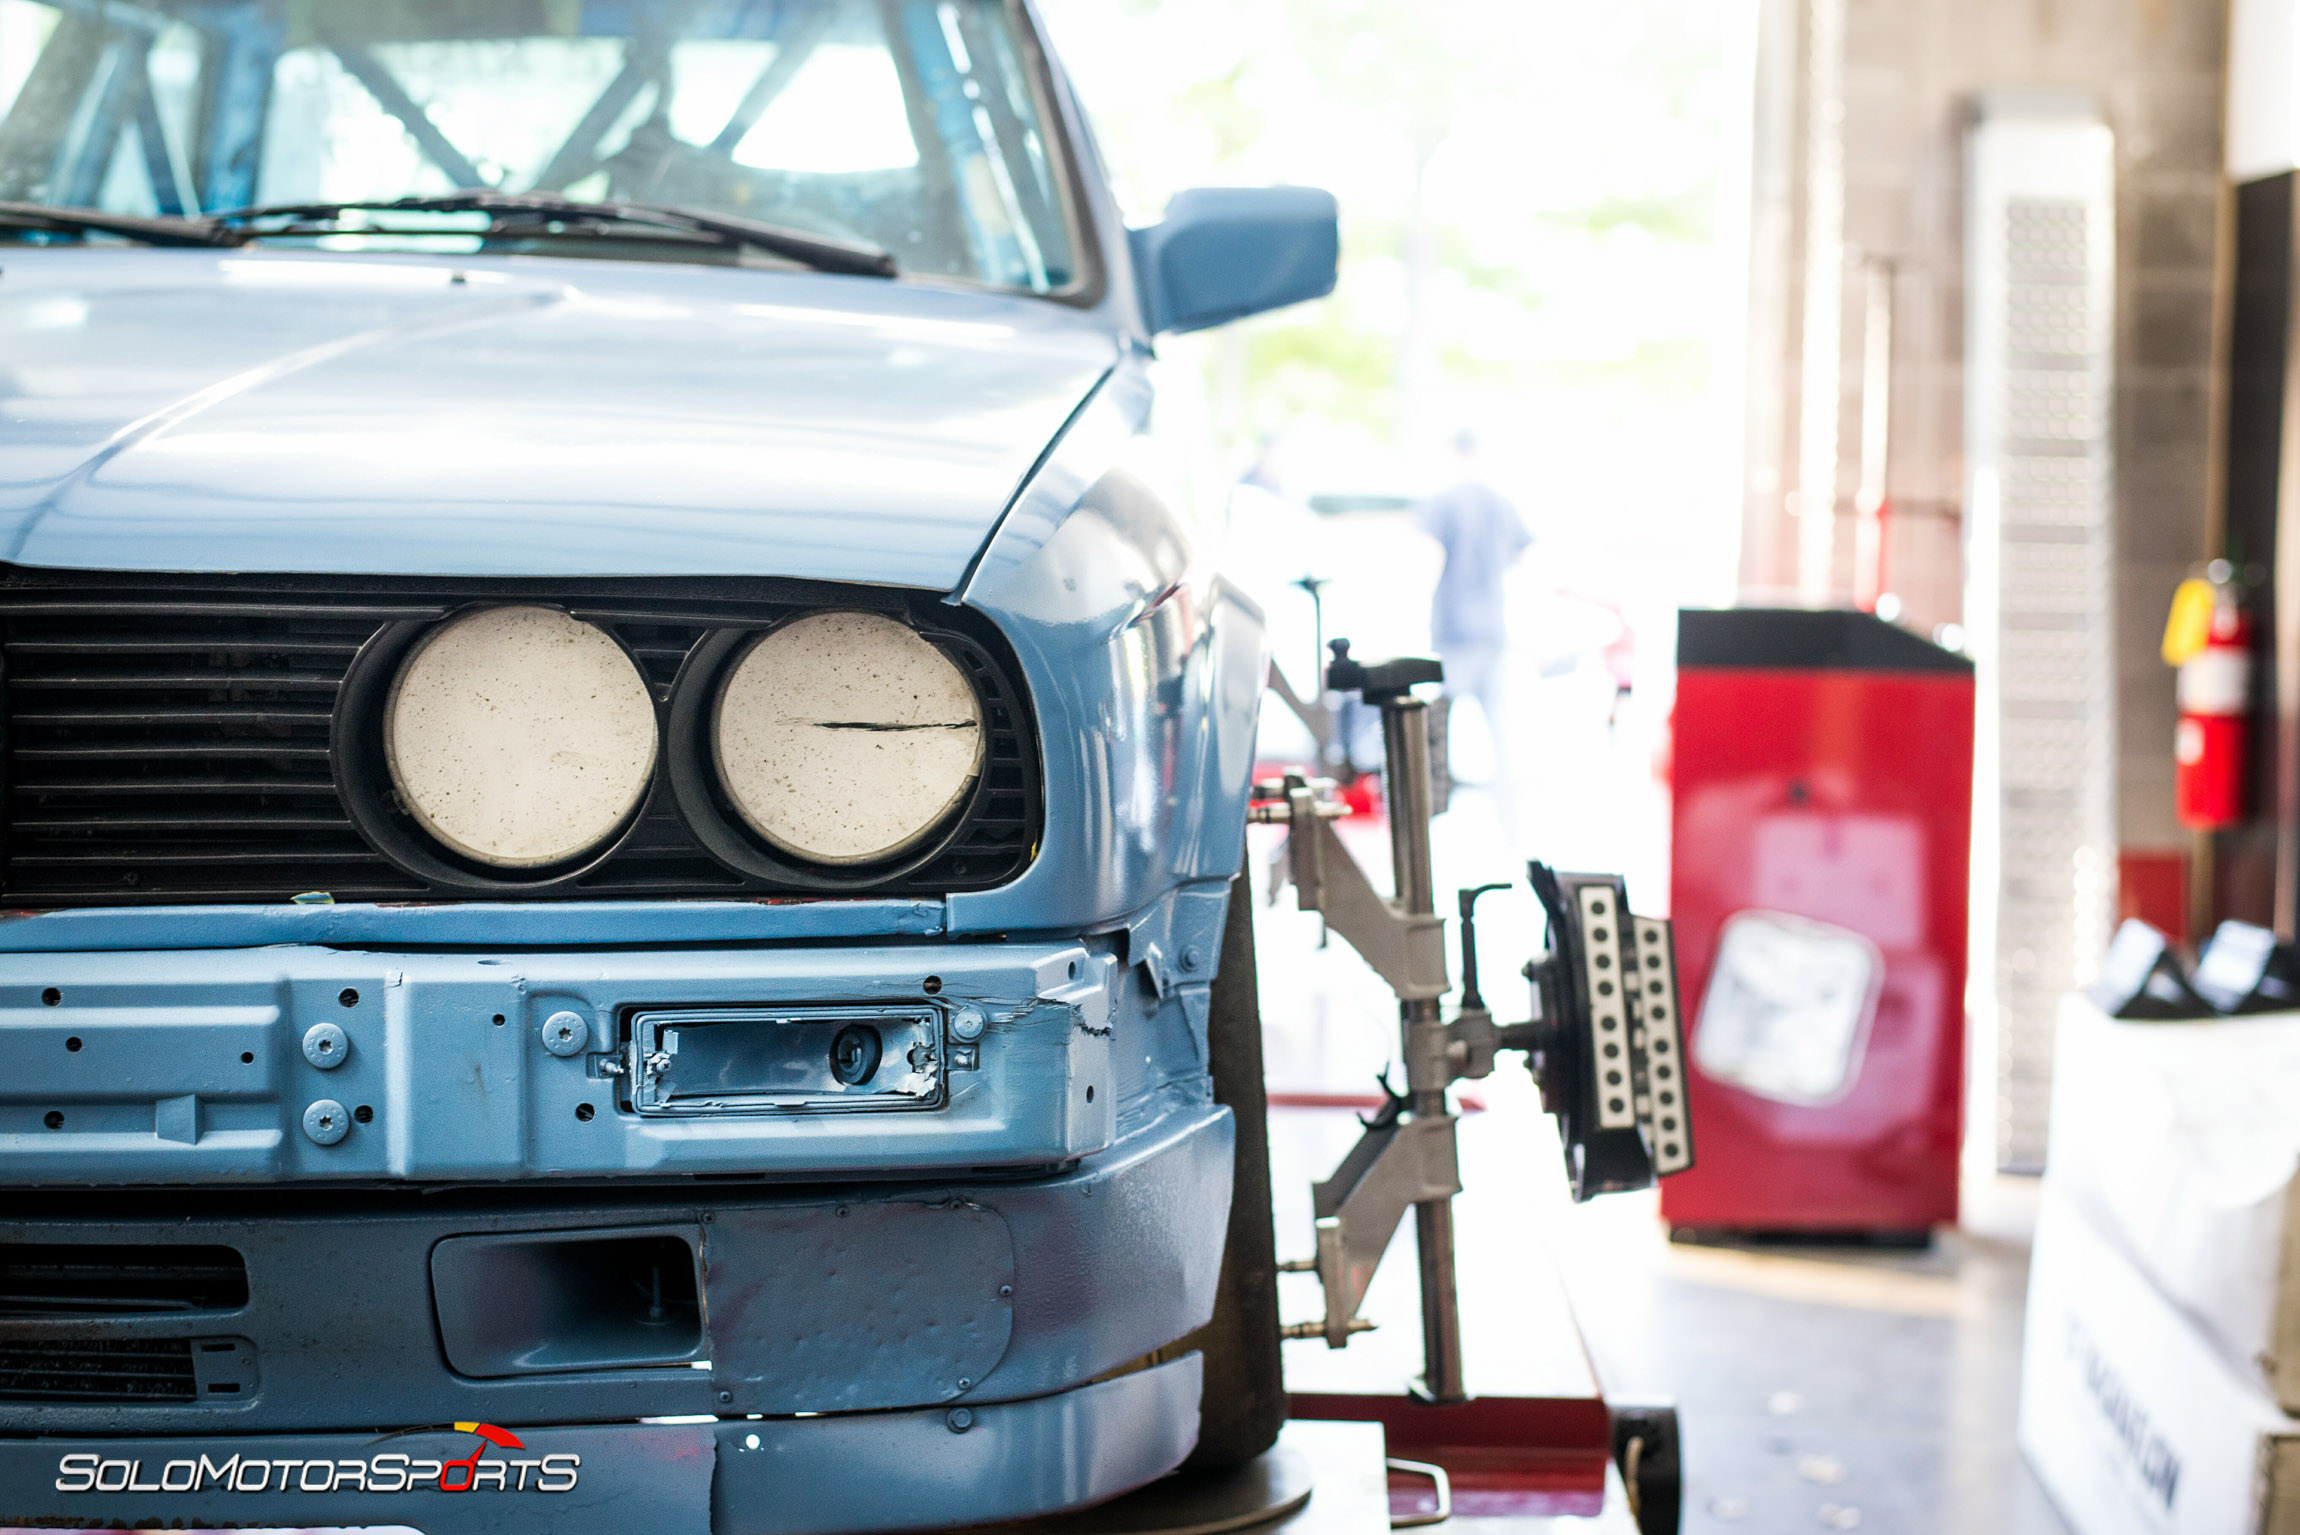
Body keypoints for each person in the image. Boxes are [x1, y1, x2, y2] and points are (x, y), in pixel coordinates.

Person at [1415, 430, 1531, 790]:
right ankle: (1511, 831)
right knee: (1499, 732)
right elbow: (1521, 555)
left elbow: (1428, 559)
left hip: (1455, 632)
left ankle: (1430, 813)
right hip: (1491, 629)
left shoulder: (1443, 502)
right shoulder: (1501, 503)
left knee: (1436, 732)